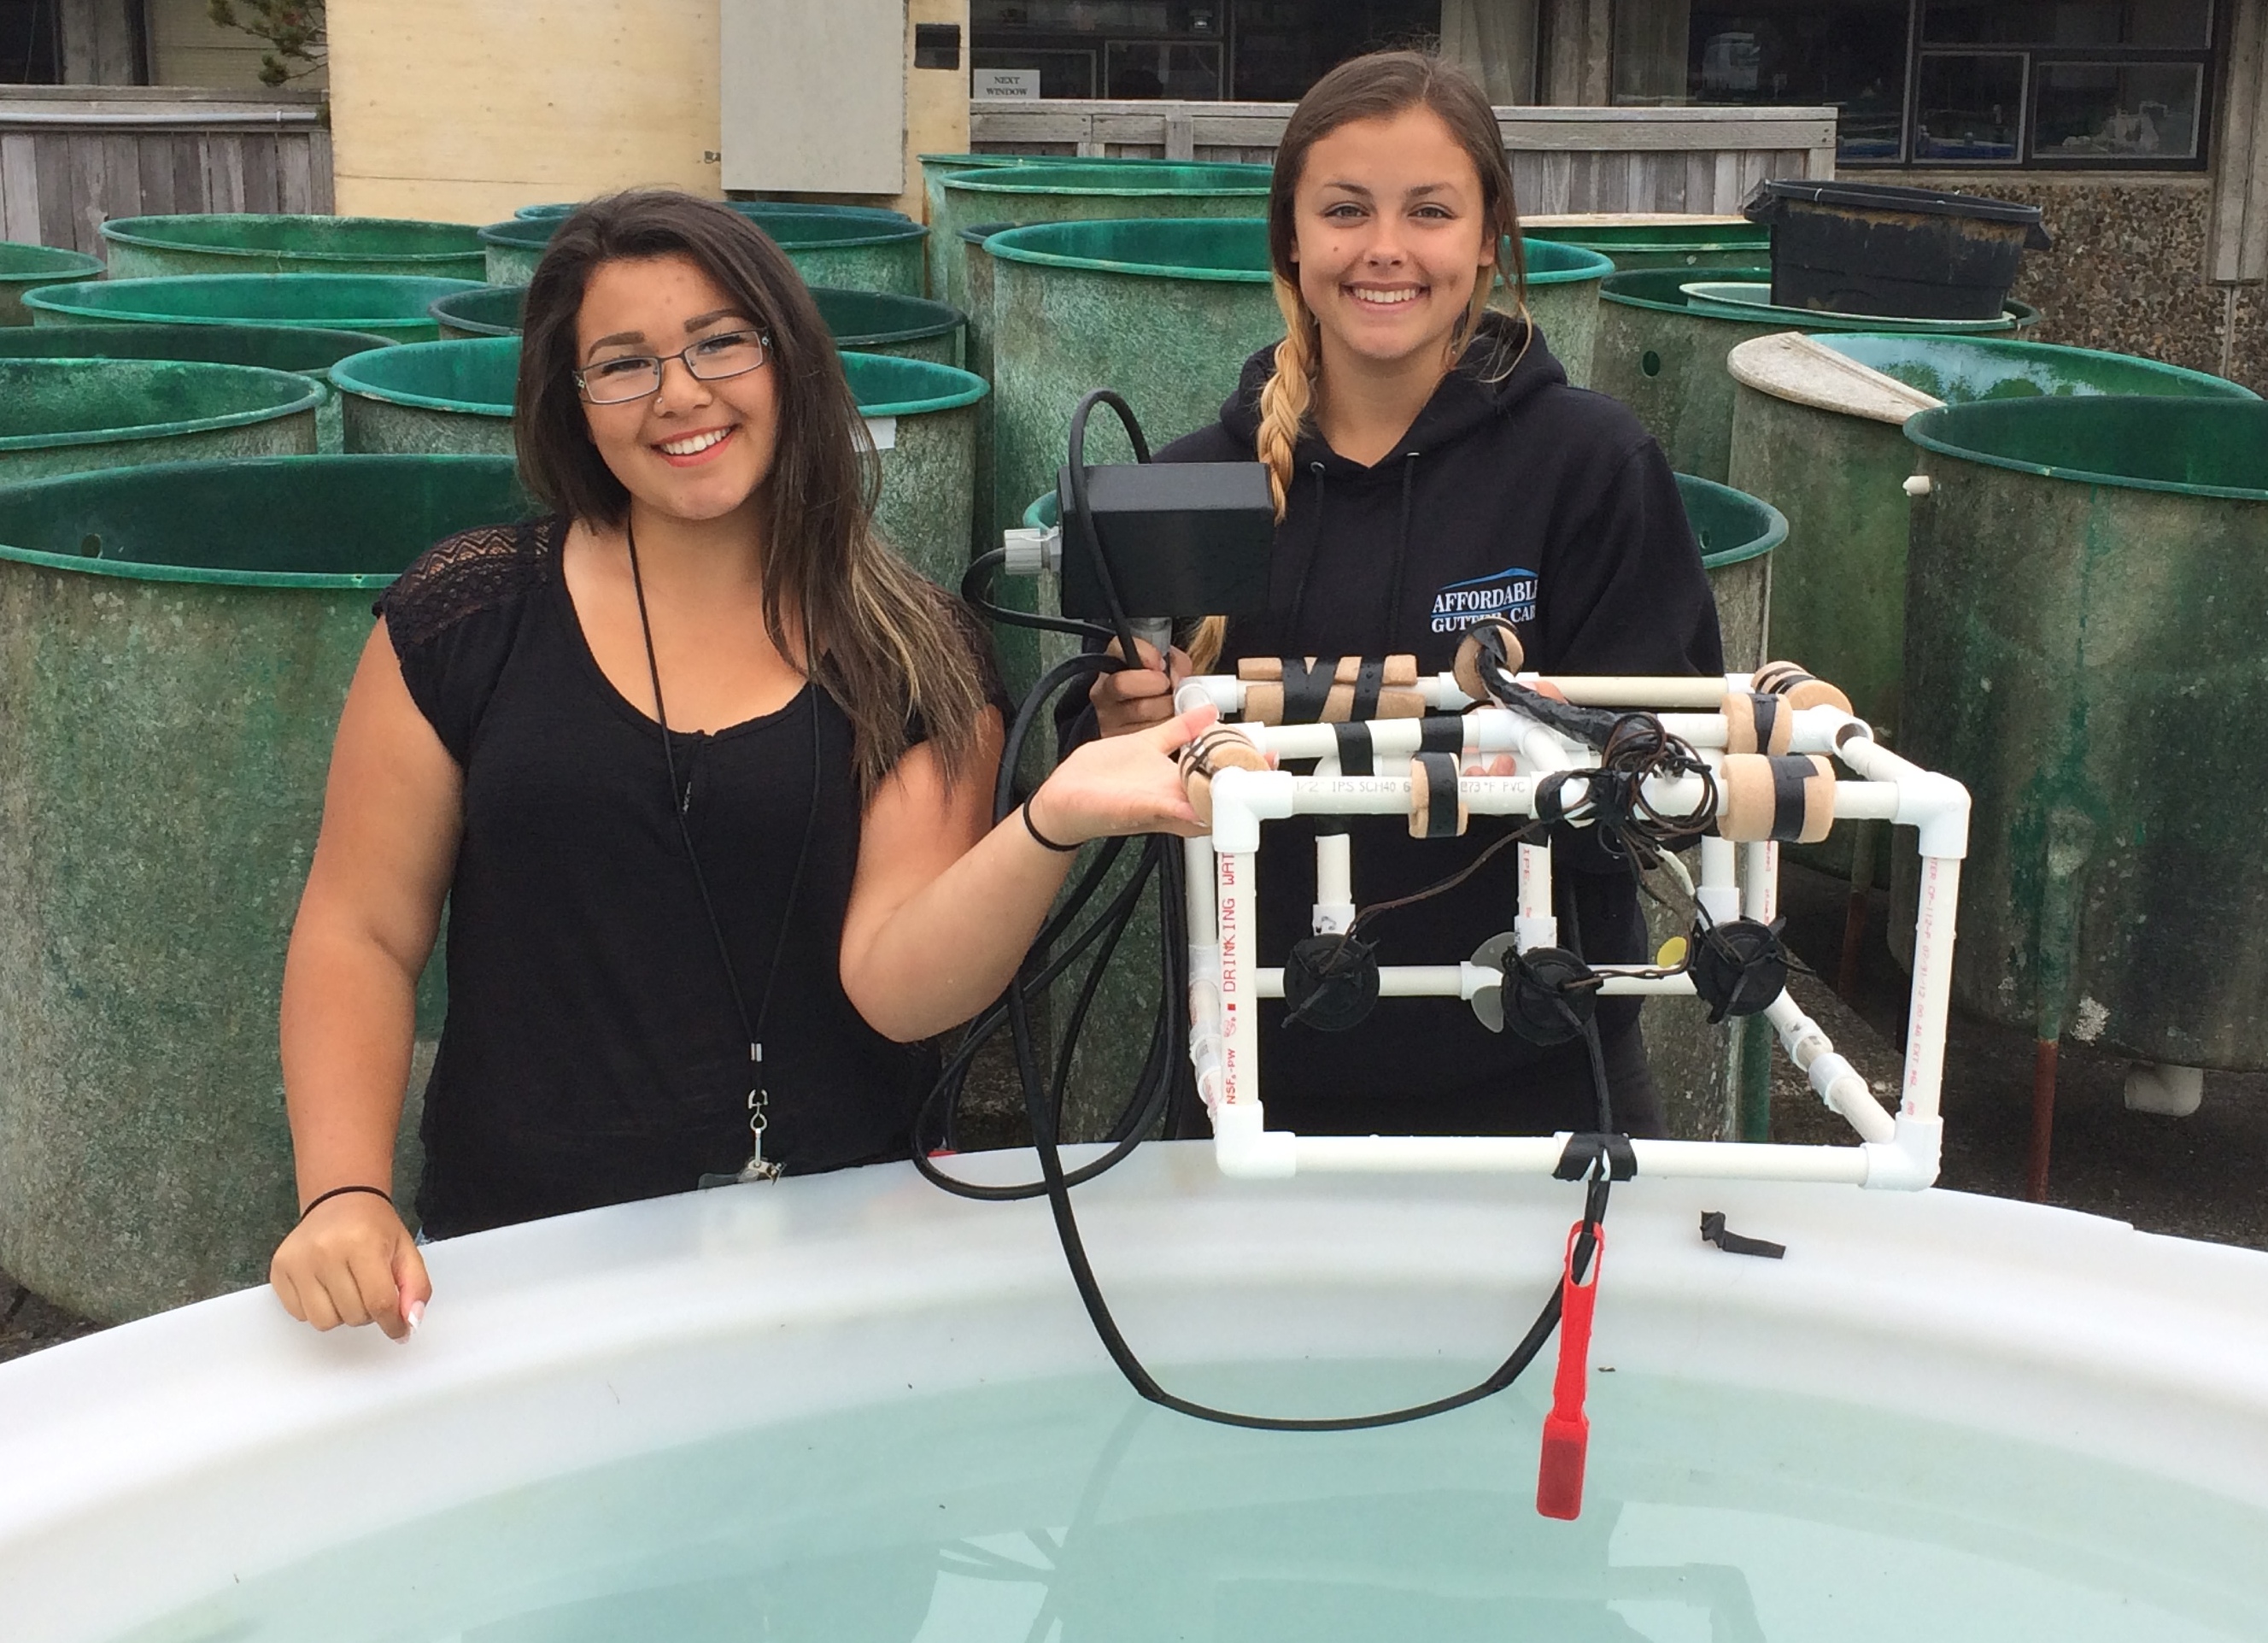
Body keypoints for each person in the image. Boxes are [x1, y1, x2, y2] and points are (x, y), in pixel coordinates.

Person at [270, 191, 1213, 1339]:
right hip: (521, 1257)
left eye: (720, 341)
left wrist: (1048, 821)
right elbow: (359, 926)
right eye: (622, 363)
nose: (679, 392)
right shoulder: (463, 616)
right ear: (571, 404)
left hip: (839, 1247)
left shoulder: (911, 649)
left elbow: (898, 981)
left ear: (788, 362)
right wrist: (345, 1192)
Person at [1072, 51, 1722, 1141]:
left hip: (1548, 1080)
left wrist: (1596, 748)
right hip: (1257, 1084)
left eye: (1429, 211)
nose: (1385, 249)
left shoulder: (1590, 465)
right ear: (1290, 234)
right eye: (1344, 210)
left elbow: (1679, 768)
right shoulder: (1198, 485)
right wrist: (1114, 722)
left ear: (1486, 237)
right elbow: (1091, 770)